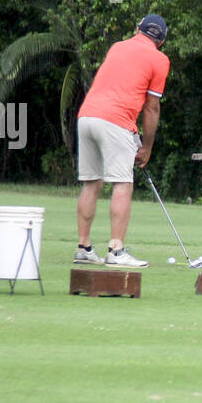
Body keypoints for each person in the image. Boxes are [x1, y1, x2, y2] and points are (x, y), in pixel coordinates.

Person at [74, 14, 171, 268]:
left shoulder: (117, 46)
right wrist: (147, 146)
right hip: (115, 121)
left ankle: (83, 247)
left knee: (91, 182)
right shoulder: (160, 60)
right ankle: (116, 250)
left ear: (137, 28)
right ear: (161, 41)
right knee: (122, 183)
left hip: (86, 117)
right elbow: (152, 107)